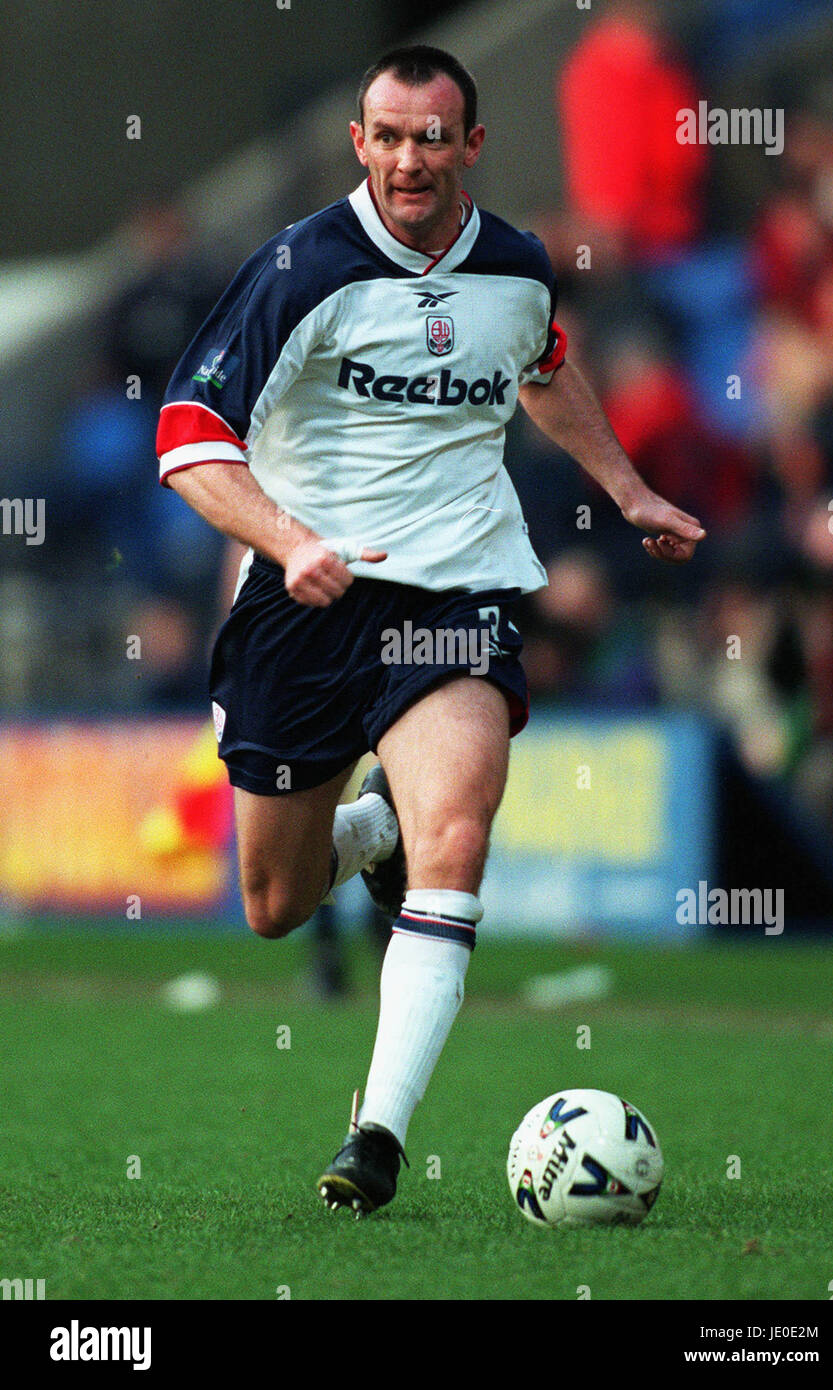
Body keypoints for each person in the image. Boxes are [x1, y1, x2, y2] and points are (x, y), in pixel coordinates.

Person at [156, 45, 705, 1217]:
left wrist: (625, 490)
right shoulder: (297, 269)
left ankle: (376, 1140)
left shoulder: (512, 266)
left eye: (432, 137)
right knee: (273, 904)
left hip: (454, 593)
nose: (410, 159)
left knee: (454, 838)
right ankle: (365, 832)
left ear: (471, 145)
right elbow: (187, 434)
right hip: (301, 606)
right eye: (388, 136)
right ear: (359, 143)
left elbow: (545, 367)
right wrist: (287, 536)